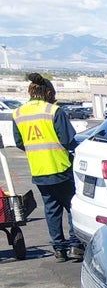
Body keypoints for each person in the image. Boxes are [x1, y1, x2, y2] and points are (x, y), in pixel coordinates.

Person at [12, 72, 82, 262]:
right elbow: (68, 139)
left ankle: (59, 249)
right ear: (48, 92)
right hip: (60, 167)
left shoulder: (18, 113)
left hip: (39, 170)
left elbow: (19, 142)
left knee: (51, 209)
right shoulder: (53, 111)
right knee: (71, 206)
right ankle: (76, 245)